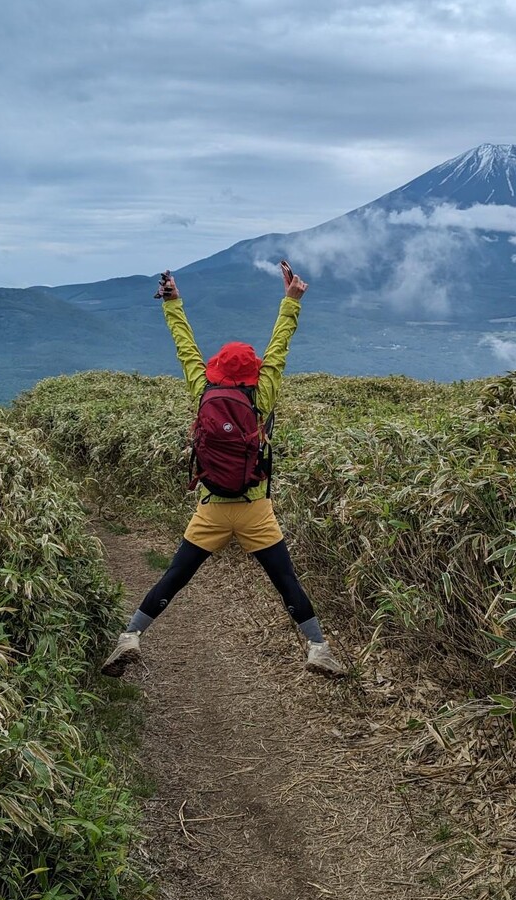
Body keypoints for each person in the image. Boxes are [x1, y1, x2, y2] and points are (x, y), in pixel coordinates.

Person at [101, 263, 346, 678]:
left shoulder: (204, 390)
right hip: (254, 508)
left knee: (176, 575)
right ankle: (318, 648)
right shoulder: (263, 392)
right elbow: (280, 345)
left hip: (211, 506)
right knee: (285, 578)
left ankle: (130, 637)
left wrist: (172, 302)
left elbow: (186, 347)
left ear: (216, 368)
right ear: (253, 371)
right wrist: (291, 301)